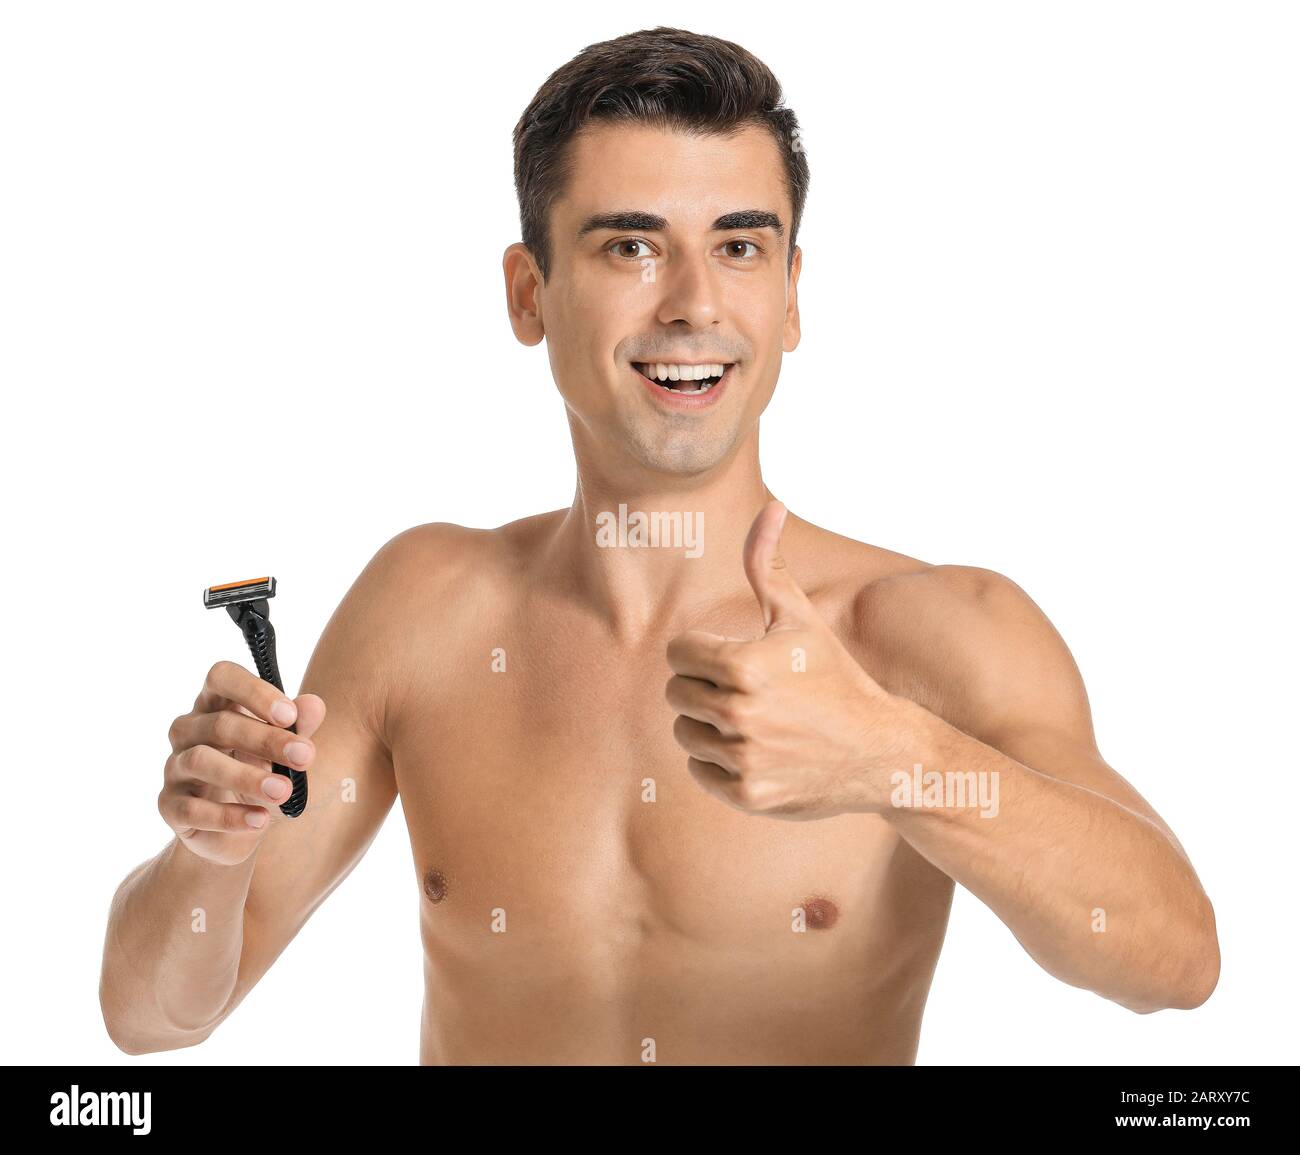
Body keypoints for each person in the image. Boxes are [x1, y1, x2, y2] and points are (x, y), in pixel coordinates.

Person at [99, 25, 1219, 1065]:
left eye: (740, 246)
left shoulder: (929, 627)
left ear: (790, 295)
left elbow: (1173, 961)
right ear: (528, 291)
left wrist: (890, 760)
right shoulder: (427, 606)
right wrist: (213, 850)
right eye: (631, 245)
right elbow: (152, 1016)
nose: (693, 303)